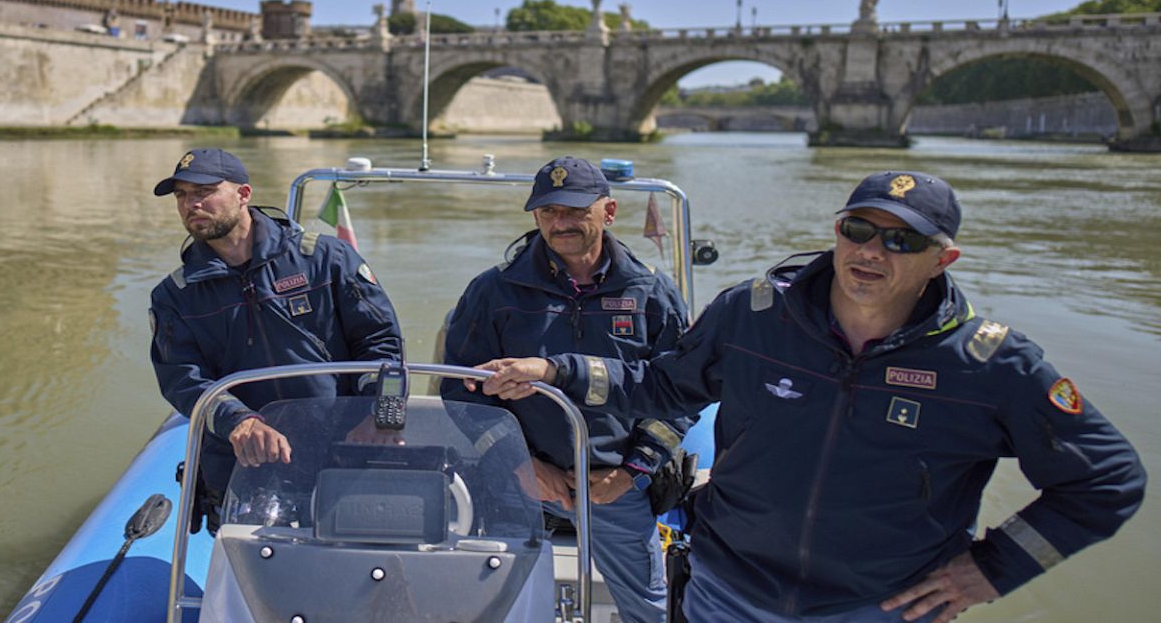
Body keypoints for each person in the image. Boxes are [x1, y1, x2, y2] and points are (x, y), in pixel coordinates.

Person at [475, 170, 1146, 622]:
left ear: (943, 259)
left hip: (876, 608)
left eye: (901, 239)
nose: (872, 251)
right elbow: (659, 384)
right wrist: (554, 371)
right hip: (726, 593)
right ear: (837, 231)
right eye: (859, 229)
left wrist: (993, 569)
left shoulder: (989, 366)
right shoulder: (754, 315)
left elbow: (1107, 482)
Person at [441, 156, 696, 623]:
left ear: (609, 211)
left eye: (575, 210)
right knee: (495, 605)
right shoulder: (492, 292)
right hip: (516, 480)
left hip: (613, 483)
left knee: (651, 611)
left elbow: (682, 395)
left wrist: (632, 474)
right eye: (548, 212)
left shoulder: (652, 294)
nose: (560, 223)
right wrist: (522, 465)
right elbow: (459, 390)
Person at [148, 148, 403, 526]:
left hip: (343, 449)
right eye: (182, 195)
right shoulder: (174, 295)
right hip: (246, 465)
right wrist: (239, 421)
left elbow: (381, 342)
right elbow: (183, 381)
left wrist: (383, 414)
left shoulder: (326, 259)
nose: (192, 204)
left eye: (204, 191)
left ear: (244, 194)